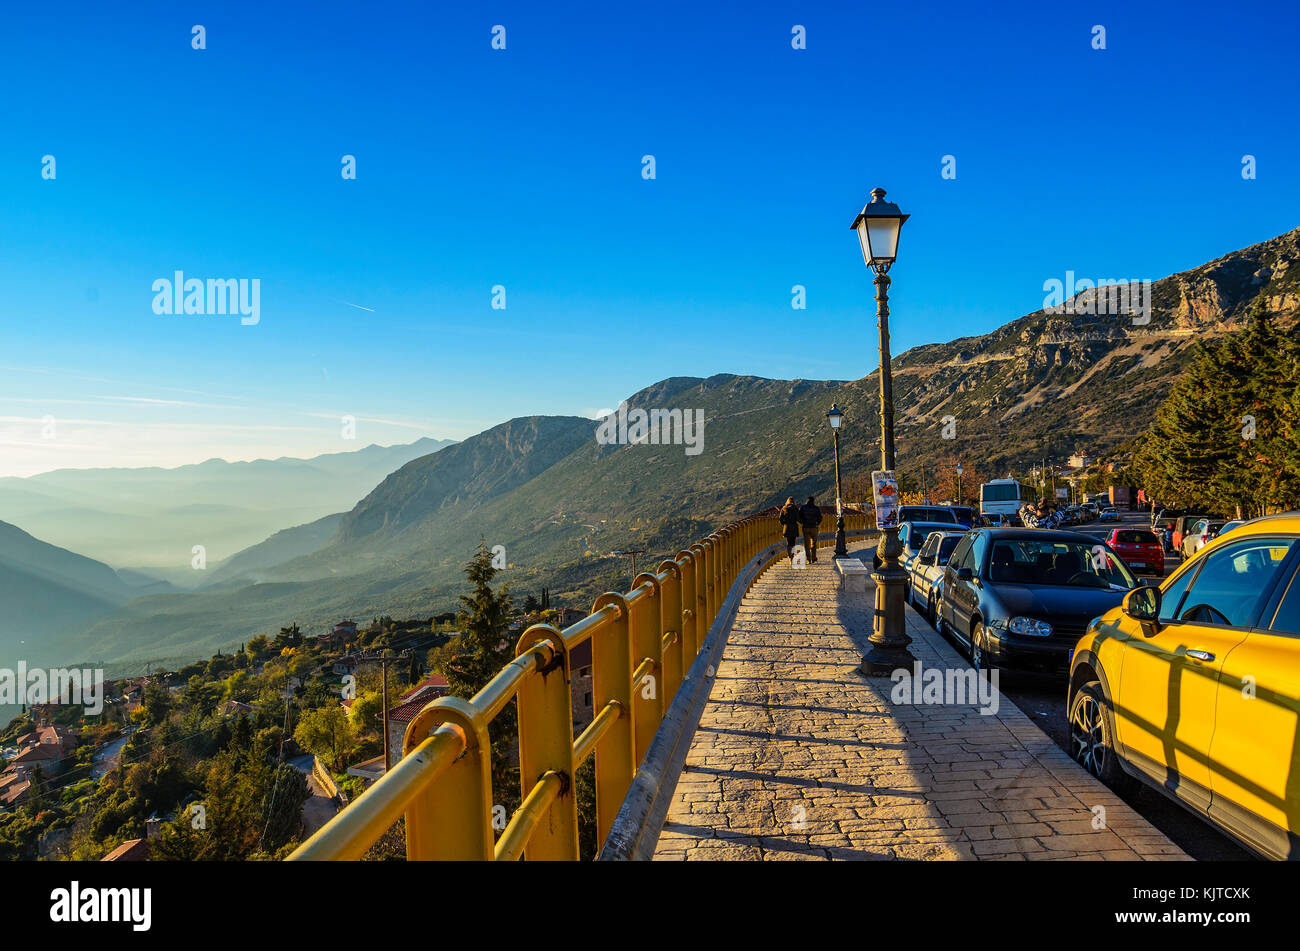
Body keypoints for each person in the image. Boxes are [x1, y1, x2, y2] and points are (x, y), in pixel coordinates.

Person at [799, 496, 823, 563]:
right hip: (814, 527)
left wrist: (802, 522)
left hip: (805, 527)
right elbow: (820, 518)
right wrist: (817, 523)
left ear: (807, 501)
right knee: (814, 543)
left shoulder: (802, 507)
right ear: (813, 501)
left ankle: (808, 559)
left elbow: (798, 516)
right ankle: (813, 558)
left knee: (807, 544)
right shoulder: (816, 508)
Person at [779, 497, 802, 562]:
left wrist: (784, 524)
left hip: (787, 528)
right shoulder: (795, 509)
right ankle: (792, 556)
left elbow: (780, 519)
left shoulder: (784, 508)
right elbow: (799, 519)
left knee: (788, 543)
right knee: (793, 543)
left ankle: (790, 557)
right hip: (794, 527)